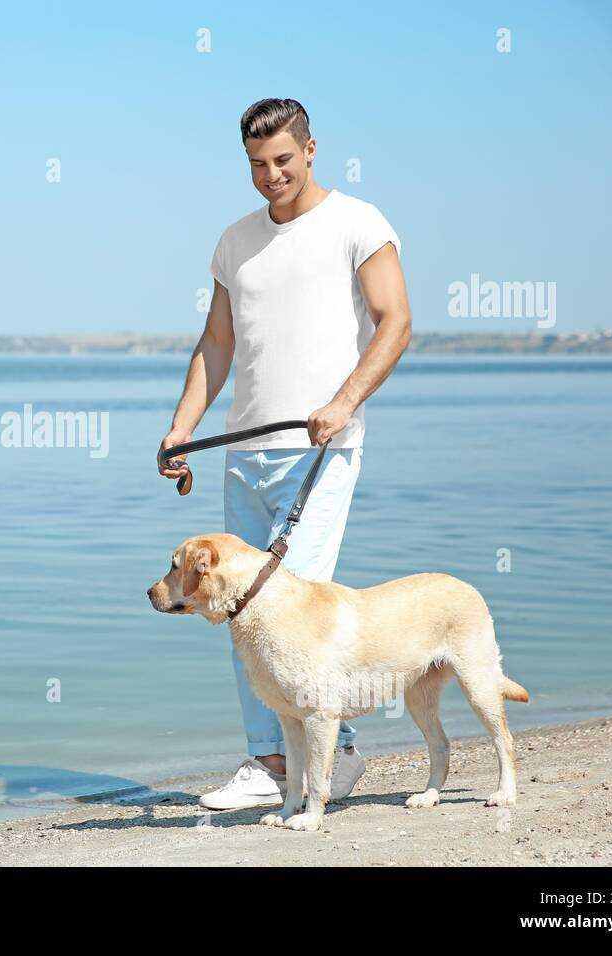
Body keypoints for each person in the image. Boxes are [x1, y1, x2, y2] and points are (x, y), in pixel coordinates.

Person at [158, 98, 412, 811]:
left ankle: (292, 758)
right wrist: (181, 429)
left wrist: (344, 401)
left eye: (282, 161)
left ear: (311, 149)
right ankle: (298, 755)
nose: (270, 176)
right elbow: (217, 344)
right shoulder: (235, 242)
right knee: (238, 609)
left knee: (282, 611)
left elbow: (396, 322)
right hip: (245, 453)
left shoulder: (359, 223)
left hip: (321, 451)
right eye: (256, 165)